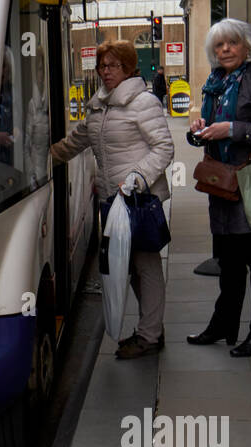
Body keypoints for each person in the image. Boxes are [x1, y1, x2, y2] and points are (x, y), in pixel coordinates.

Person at [51, 40, 174, 359]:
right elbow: (76, 142)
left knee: (145, 266)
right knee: (127, 266)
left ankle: (150, 334)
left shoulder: (143, 102)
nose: (106, 72)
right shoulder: (99, 106)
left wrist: (137, 178)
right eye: (102, 66)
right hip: (113, 200)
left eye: (114, 66)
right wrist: (43, 157)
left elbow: (164, 147)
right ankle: (151, 328)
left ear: (130, 68)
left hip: (140, 200)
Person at [185, 17, 251, 357]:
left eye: (232, 43)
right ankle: (224, 325)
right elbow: (212, 129)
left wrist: (231, 129)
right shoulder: (215, 83)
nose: (225, 49)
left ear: (248, 46)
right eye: (219, 45)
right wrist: (199, 130)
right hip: (222, 185)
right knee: (228, 264)